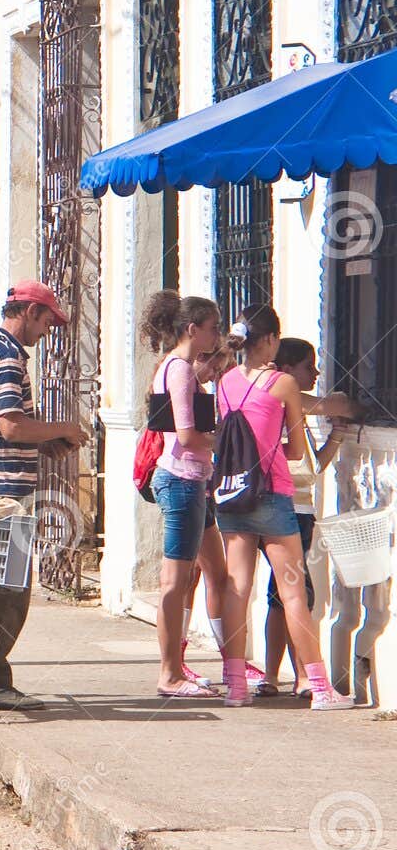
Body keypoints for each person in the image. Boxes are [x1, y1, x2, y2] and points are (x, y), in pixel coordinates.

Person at [0, 280, 88, 711]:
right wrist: (62, 428)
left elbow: (4, 428)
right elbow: (11, 426)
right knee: (8, 587)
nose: (48, 330)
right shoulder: (7, 357)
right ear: (29, 312)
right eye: (47, 320)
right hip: (0, 490)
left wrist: (43, 442)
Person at [212, 304, 354, 711]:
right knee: (293, 592)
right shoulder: (282, 385)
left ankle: (237, 687)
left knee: (237, 587)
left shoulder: (224, 383)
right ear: (271, 340)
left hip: (232, 497)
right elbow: (295, 449)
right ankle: (321, 688)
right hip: (272, 496)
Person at [139, 291, 225, 698]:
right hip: (182, 480)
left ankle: (229, 664)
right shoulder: (180, 372)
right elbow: (187, 436)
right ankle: (169, 673)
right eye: (213, 328)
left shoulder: (179, 367)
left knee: (215, 573)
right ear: (193, 329)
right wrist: (226, 438)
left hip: (193, 482)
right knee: (174, 581)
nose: (217, 335)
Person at [261, 337, 356, 698]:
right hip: (293, 510)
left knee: (277, 595)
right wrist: (347, 407)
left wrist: (336, 435)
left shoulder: (280, 407)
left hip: (281, 506)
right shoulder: (289, 401)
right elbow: (333, 404)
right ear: (286, 370)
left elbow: (311, 465)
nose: (315, 372)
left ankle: (272, 675)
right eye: (307, 366)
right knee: (300, 595)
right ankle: (304, 677)